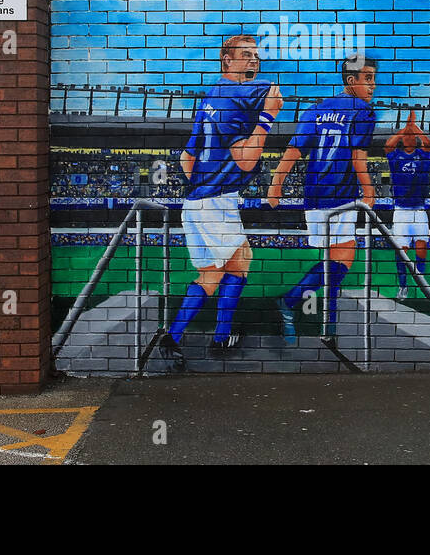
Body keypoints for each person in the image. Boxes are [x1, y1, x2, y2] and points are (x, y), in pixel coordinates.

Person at [158, 35, 283, 370]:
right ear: (226, 59)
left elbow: (187, 156)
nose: (254, 61)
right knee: (241, 261)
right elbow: (244, 160)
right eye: (245, 55)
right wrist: (268, 117)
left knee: (212, 276)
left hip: (195, 202)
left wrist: (205, 181)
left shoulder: (212, 94)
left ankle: (175, 336)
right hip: (217, 202)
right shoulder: (249, 93)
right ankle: (220, 335)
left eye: (256, 55)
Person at [267, 56, 378, 345]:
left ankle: (328, 325)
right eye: (367, 78)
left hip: (314, 197)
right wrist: (369, 190)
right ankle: (293, 303)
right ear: (351, 81)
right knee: (342, 260)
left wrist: (276, 185)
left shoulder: (316, 109)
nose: (372, 85)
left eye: (373, 78)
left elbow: (294, 150)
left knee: (333, 261)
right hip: (340, 195)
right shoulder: (363, 111)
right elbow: (358, 156)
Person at [384, 111, 430, 299]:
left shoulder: (423, 154)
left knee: (421, 248)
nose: (410, 138)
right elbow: (388, 145)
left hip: (419, 209)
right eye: (407, 136)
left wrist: (414, 127)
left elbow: (428, 143)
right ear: (403, 139)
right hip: (401, 211)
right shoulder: (396, 157)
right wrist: (405, 127)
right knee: (401, 251)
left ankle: (421, 281)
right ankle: (403, 286)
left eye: (412, 136)